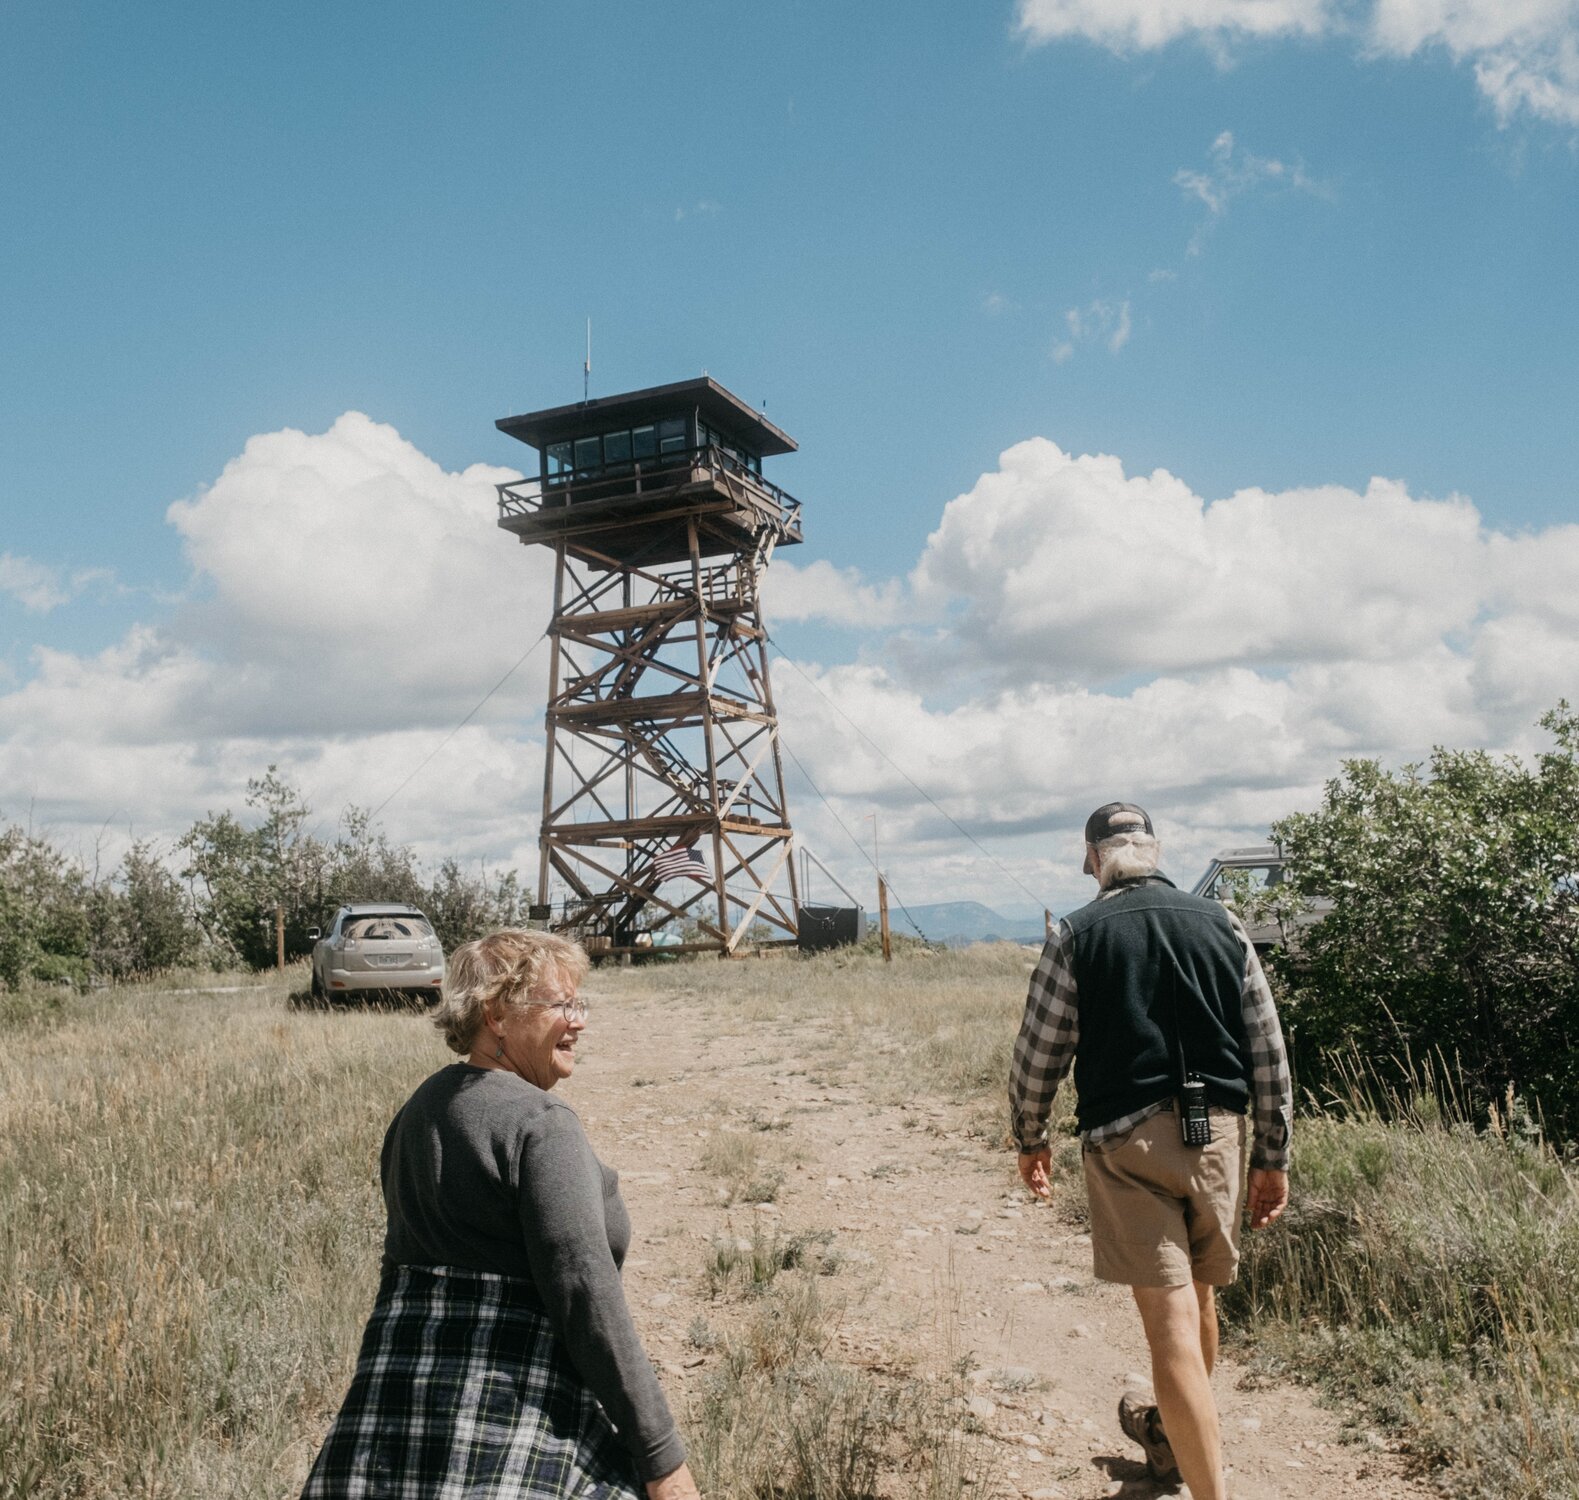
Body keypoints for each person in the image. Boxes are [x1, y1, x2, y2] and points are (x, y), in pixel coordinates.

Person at [300, 928, 702, 1500]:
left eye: (579, 1002)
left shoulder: (417, 1111)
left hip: (397, 1422)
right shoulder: (542, 1125)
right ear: (496, 1014)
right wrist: (662, 1458)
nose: (579, 1020)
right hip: (513, 1408)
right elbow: (586, 1297)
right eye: (562, 1005)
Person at [1009, 803, 1291, 1500]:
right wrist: (1271, 1154)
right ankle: (1171, 1446)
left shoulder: (1075, 933)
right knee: (1197, 1305)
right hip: (1216, 1137)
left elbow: (1039, 1052)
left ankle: (1209, 1491)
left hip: (1126, 1143)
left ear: (1089, 858)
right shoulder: (1221, 923)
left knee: (1168, 1334)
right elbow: (1266, 1047)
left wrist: (1030, 1136)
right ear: (1157, 853)